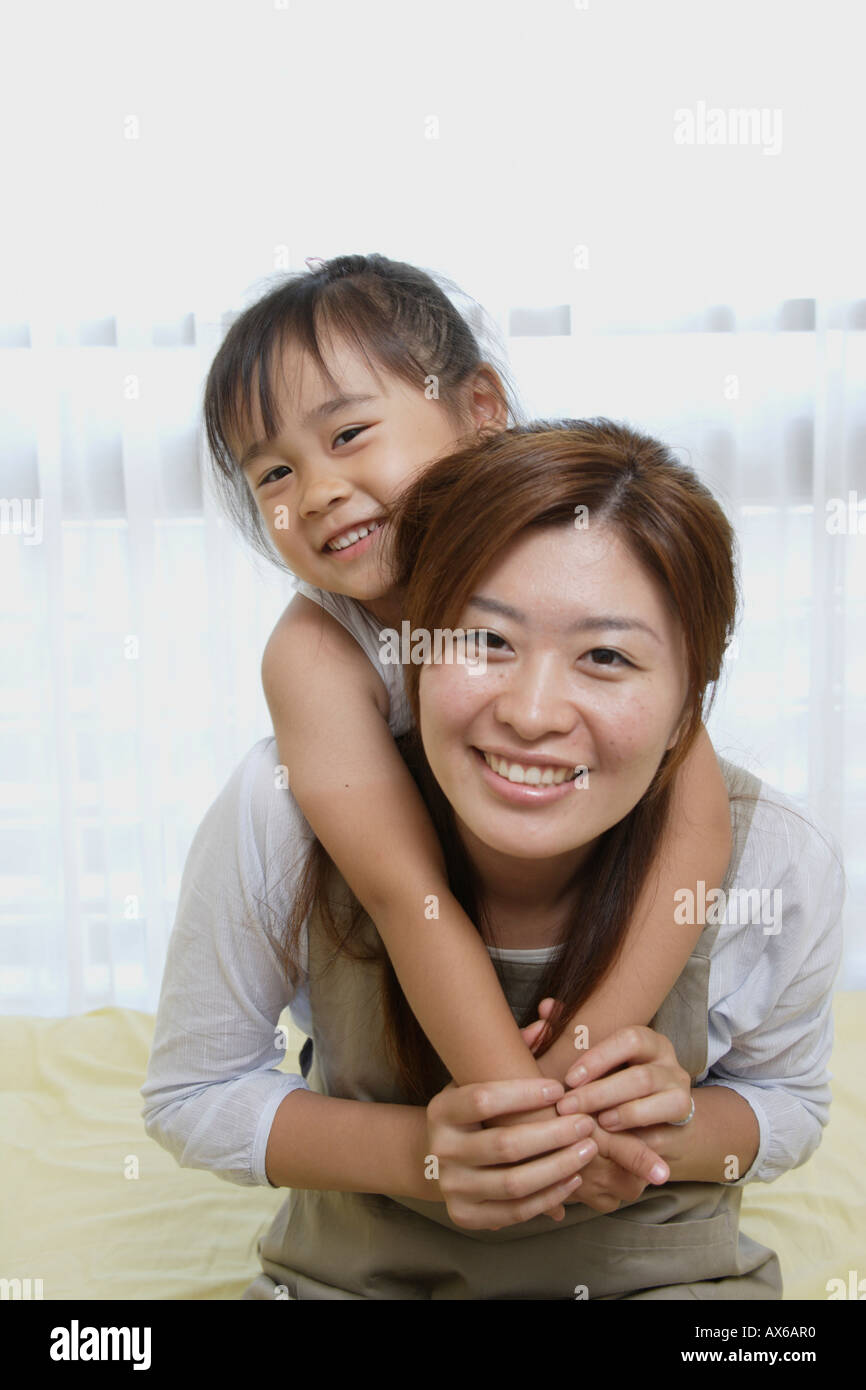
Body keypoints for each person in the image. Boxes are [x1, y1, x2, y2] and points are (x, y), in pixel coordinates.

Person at [142, 419, 843, 1299]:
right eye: (487, 641)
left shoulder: (775, 855)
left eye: (606, 656)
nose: (533, 713)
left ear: (686, 706)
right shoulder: (288, 812)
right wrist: (424, 1156)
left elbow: (791, 1107)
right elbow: (191, 1094)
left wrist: (666, 1132)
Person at [198, 254, 732, 1187]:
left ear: (479, 407)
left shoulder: (572, 548)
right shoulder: (317, 651)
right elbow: (408, 893)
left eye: (351, 432)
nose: (316, 490)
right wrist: (525, 1124)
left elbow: (694, 824)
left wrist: (582, 1073)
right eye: (274, 472)